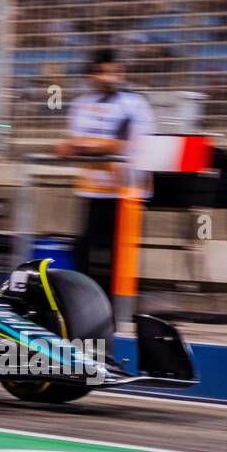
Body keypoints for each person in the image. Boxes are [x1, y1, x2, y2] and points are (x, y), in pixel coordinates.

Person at [54, 49, 155, 297]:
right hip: (93, 189)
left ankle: (117, 305)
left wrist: (89, 145)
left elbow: (133, 143)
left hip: (125, 190)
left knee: (118, 252)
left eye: (115, 72)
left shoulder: (135, 104)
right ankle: (88, 301)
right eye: (103, 72)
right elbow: (73, 144)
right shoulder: (81, 104)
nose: (110, 78)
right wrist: (89, 145)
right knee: (83, 249)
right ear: (91, 75)